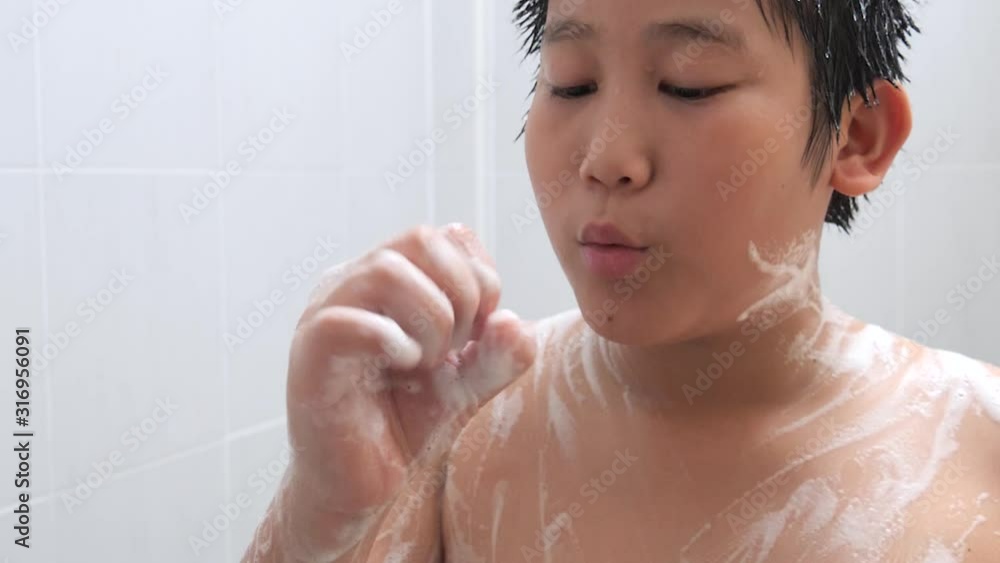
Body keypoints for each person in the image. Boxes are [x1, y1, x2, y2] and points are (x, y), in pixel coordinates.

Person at [243, 0, 1000, 561]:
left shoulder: (979, 446)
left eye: (688, 84)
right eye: (571, 84)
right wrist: (322, 513)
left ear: (856, 135)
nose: (606, 157)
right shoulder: (461, 431)